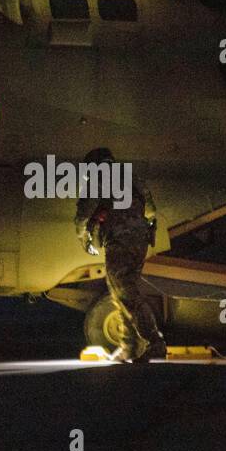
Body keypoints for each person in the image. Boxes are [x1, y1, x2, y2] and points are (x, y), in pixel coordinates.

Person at [75, 148, 167, 363]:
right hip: (140, 240)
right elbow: (151, 210)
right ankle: (129, 346)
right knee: (120, 290)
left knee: (124, 290)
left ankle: (154, 342)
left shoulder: (99, 178)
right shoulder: (131, 176)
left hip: (119, 239)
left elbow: (82, 215)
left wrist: (84, 239)